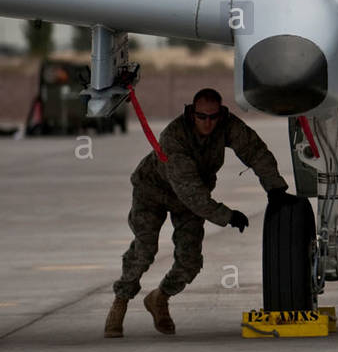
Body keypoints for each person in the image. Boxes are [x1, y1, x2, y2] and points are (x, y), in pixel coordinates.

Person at [104, 88, 290, 337]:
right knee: (145, 249)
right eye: (202, 117)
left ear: (221, 114)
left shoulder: (227, 126)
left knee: (190, 261)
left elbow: (255, 151)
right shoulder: (174, 136)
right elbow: (191, 192)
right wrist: (227, 215)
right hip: (153, 190)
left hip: (189, 200)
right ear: (192, 114)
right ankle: (121, 302)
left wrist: (274, 187)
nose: (208, 123)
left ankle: (159, 298)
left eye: (213, 117)